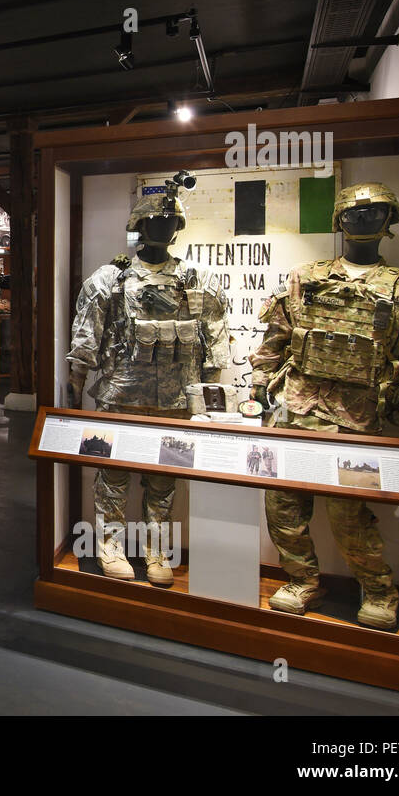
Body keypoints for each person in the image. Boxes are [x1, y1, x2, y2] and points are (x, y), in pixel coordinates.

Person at [249, 182, 399, 630]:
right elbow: (275, 336)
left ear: (390, 222)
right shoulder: (304, 277)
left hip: (360, 419)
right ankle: (301, 580)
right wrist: (257, 385)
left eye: (375, 213)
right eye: (354, 213)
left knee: (349, 514)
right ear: (339, 221)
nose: (363, 220)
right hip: (297, 410)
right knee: (283, 506)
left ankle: (378, 589)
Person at [67, 185, 229, 587]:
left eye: (170, 220)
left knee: (163, 483)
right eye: (154, 219)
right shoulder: (109, 279)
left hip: (176, 402)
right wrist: (73, 397)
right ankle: (110, 547)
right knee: (112, 479)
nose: (163, 225)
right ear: (138, 225)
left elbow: (216, 343)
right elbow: (85, 342)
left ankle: (157, 551)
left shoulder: (199, 280)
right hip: (120, 399)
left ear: (179, 227)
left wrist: (211, 403)